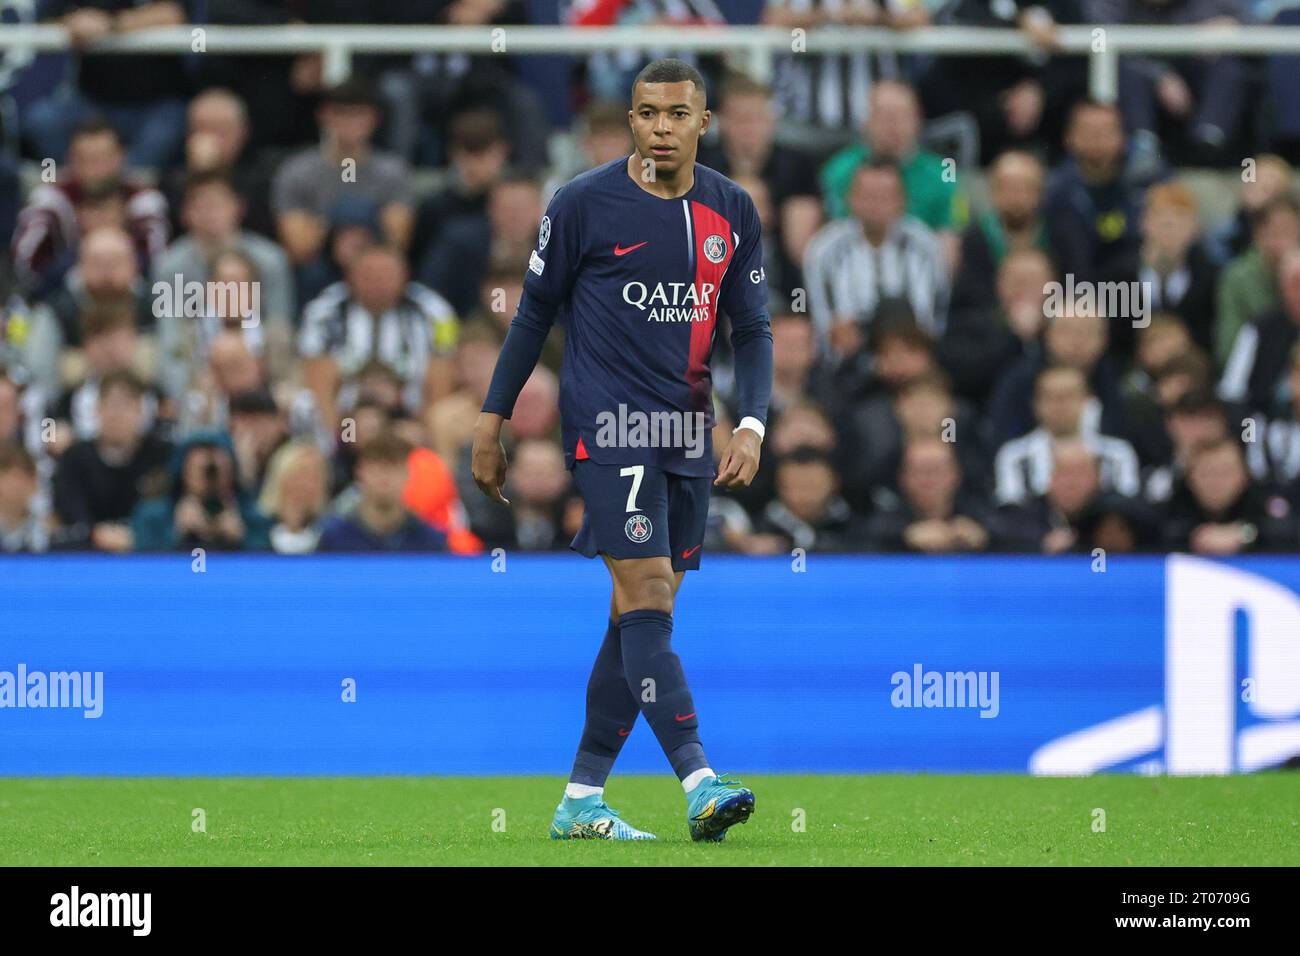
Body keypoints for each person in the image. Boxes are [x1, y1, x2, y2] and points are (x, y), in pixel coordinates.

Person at [471, 59, 772, 842]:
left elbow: (753, 327)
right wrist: (490, 419)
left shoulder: (733, 210)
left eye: (677, 114)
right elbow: (533, 313)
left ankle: (580, 799)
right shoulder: (582, 203)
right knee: (648, 595)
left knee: (633, 616)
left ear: (704, 123)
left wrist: (754, 424)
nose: (661, 128)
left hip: (685, 435)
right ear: (631, 121)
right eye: (647, 114)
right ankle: (700, 780)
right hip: (609, 427)